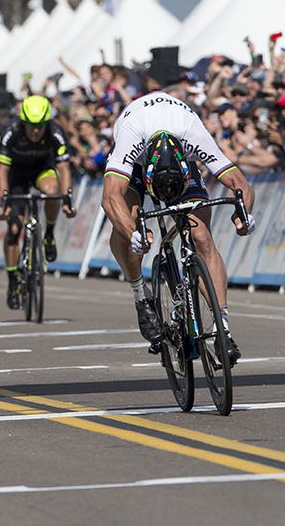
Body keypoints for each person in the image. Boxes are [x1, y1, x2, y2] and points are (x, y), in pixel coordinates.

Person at [101, 92, 256, 365]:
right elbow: (110, 198)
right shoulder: (131, 136)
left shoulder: (192, 134)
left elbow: (238, 181)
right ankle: (140, 295)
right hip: (138, 166)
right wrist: (134, 233)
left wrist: (243, 213)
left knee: (202, 237)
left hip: (178, 156)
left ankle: (223, 330)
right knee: (130, 216)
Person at [0, 95, 76, 310]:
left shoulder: (56, 132)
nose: (35, 131)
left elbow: (65, 169)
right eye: (30, 126)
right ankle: (13, 281)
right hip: (17, 175)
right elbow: (1, 171)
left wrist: (67, 198)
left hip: (42, 169)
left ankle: (48, 234)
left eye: (39, 126)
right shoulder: (10, 132)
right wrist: (2, 201)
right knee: (14, 229)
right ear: (23, 122)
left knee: (52, 191)